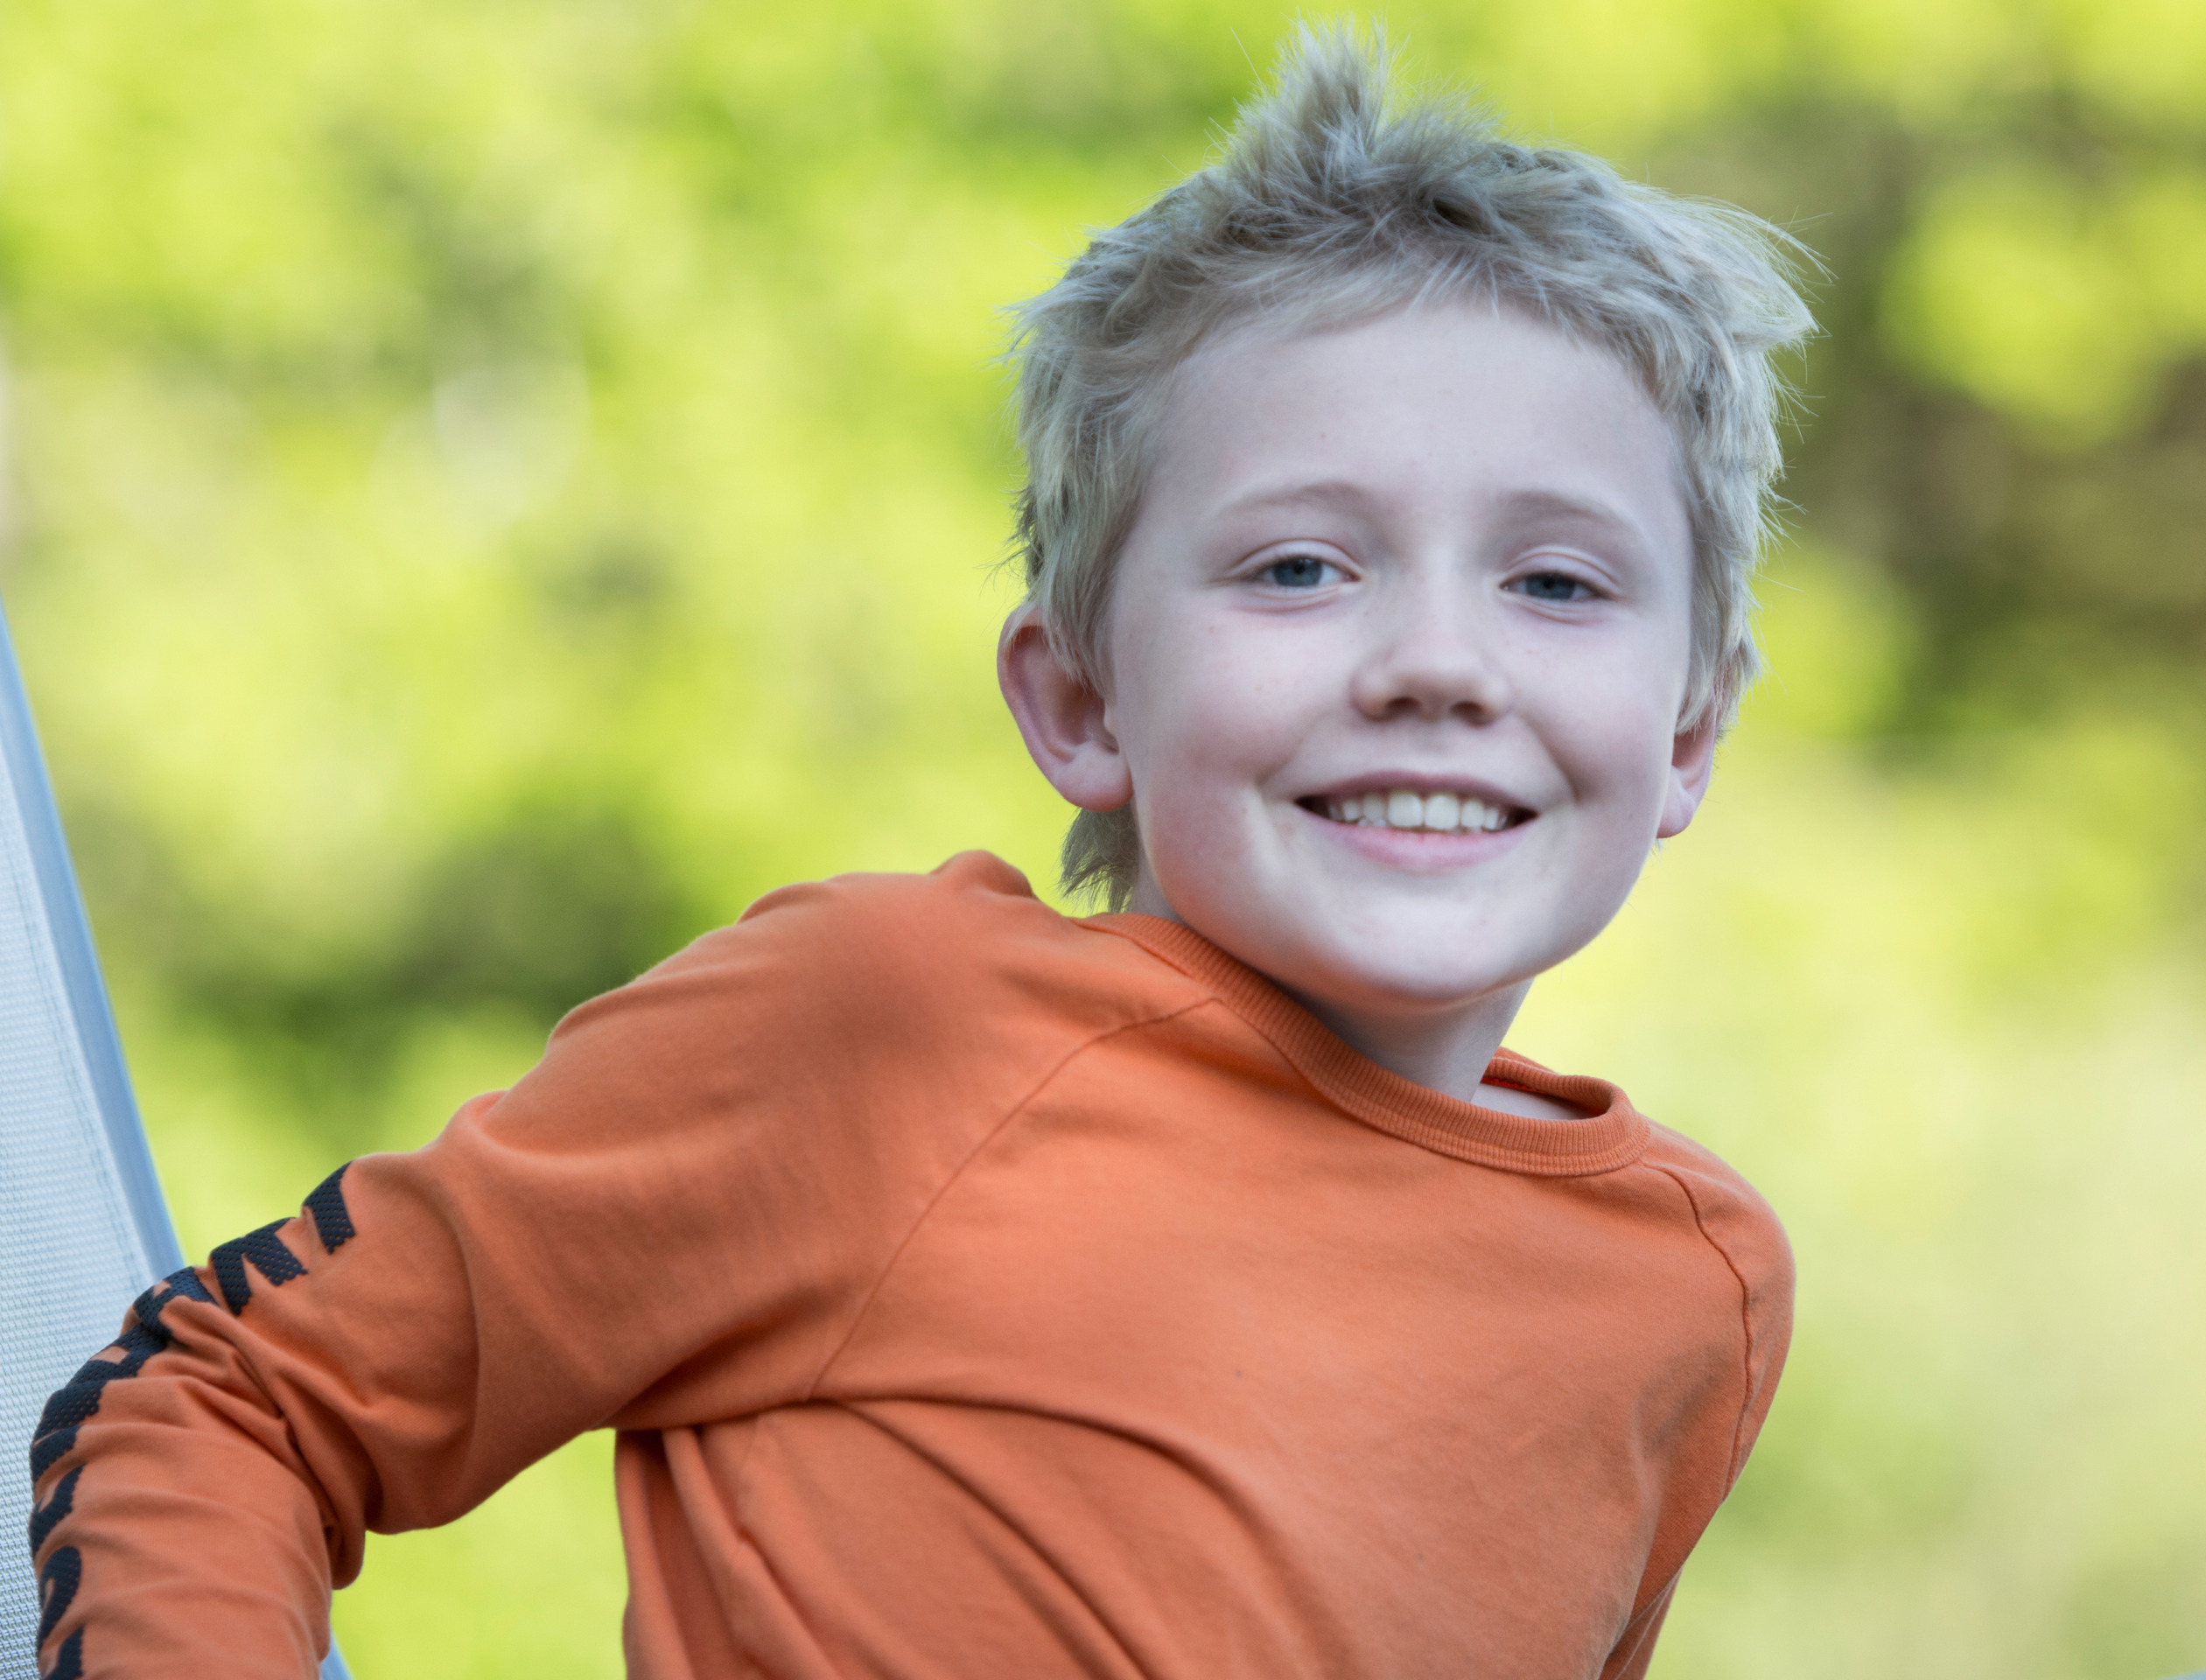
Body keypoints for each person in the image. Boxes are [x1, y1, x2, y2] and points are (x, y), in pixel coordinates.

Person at [25, 27, 1816, 1680]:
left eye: (1556, 583)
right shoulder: (887, 1033)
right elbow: (220, 1396)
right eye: (1297, 566)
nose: (1436, 661)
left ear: (1685, 733)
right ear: (1081, 703)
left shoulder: (1689, 1289)